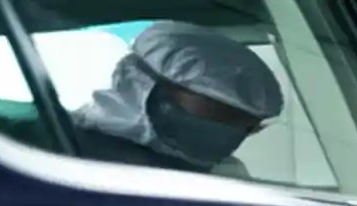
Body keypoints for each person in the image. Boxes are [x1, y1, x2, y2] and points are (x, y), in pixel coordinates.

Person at [72, 21, 283, 175]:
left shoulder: (224, 176)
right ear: (142, 82)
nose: (229, 130)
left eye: (247, 125)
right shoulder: (57, 149)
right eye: (216, 110)